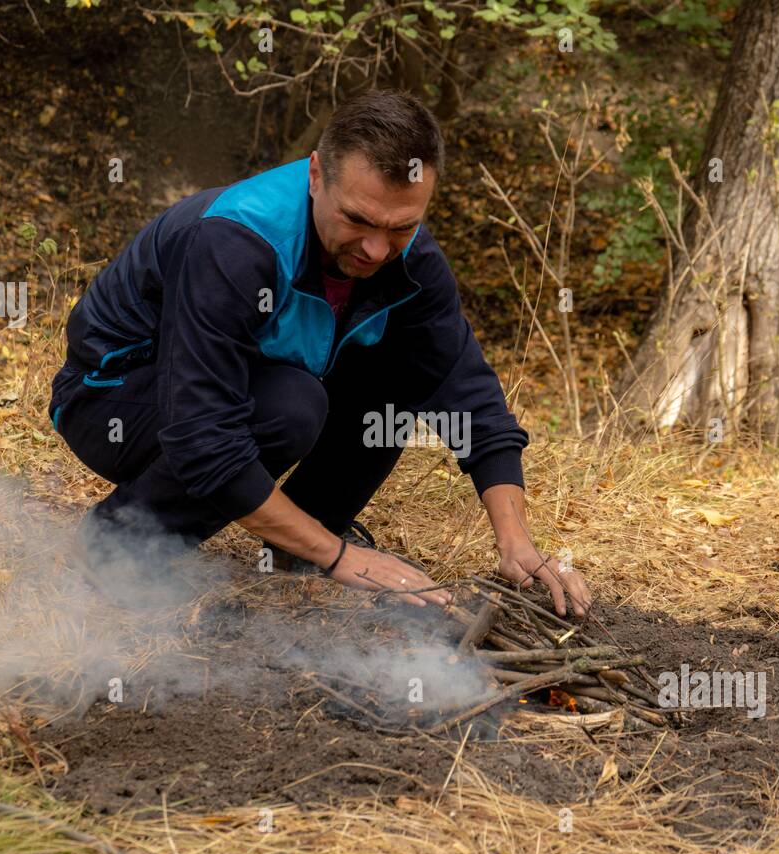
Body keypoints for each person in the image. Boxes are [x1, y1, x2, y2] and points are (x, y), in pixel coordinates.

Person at [49, 88, 589, 616]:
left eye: (401, 226)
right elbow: (202, 438)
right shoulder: (234, 243)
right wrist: (340, 557)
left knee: (397, 385)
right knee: (290, 406)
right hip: (113, 399)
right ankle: (116, 546)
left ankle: (299, 538)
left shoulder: (409, 257)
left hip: (243, 385)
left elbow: (465, 392)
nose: (377, 248)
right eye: (358, 220)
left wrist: (517, 544)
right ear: (314, 175)